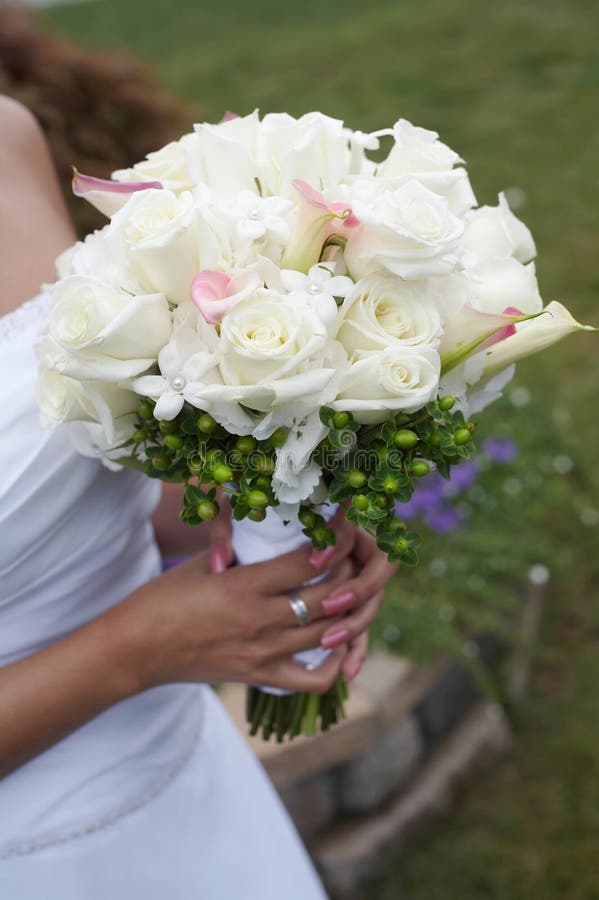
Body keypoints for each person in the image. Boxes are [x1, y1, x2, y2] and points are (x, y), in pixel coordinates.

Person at [0, 96, 397, 899]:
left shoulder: (6, 136)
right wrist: (137, 650)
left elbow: (78, 478)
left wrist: (271, 501)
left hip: (193, 791)